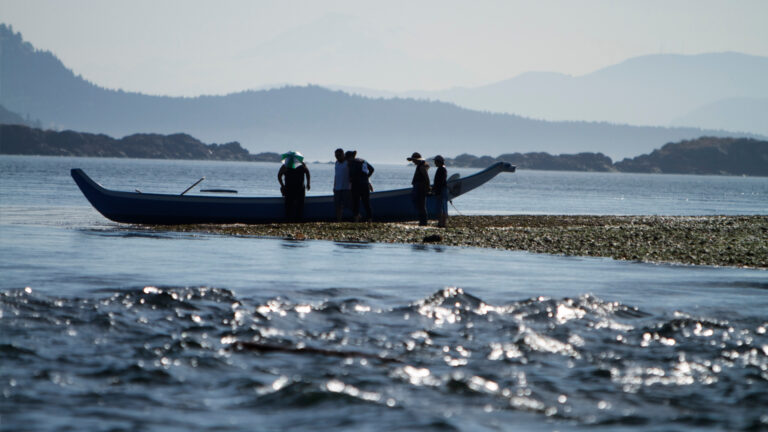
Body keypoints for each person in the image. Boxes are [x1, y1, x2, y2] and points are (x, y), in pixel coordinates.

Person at [277, 151, 310, 221]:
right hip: (292, 188)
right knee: (292, 206)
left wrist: (282, 185)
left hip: (297, 188)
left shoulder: (288, 165)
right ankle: (294, 219)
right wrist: (308, 184)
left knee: (294, 206)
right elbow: (307, 173)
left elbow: (279, 175)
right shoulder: (300, 164)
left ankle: (293, 219)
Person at [346, 150, 374, 222]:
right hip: (365, 184)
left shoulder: (351, 163)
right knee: (366, 203)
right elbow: (372, 169)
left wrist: (351, 180)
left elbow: (351, 174)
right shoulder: (363, 161)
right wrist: (366, 177)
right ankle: (370, 219)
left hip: (356, 185)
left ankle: (356, 219)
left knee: (356, 203)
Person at [407, 152, 430, 226]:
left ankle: (423, 222)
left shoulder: (421, 167)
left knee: (421, 205)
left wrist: (427, 187)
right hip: (419, 187)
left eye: (413, 160)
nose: (413, 162)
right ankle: (422, 221)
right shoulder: (421, 166)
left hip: (420, 188)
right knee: (420, 205)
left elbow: (426, 178)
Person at [333, 148, 351, 221]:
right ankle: (338, 220)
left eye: (339, 155)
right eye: (336, 155)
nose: (337, 157)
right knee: (337, 205)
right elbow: (336, 175)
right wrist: (334, 186)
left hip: (346, 188)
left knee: (349, 205)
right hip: (337, 188)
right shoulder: (336, 163)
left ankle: (357, 216)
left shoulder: (347, 163)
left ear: (343, 155)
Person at [432, 155, 448, 228]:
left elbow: (440, 182)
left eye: (435, 161)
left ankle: (442, 223)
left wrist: (436, 190)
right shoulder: (442, 169)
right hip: (442, 189)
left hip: (441, 190)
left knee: (441, 207)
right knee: (442, 207)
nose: (435, 163)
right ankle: (442, 223)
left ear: (439, 162)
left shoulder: (441, 169)